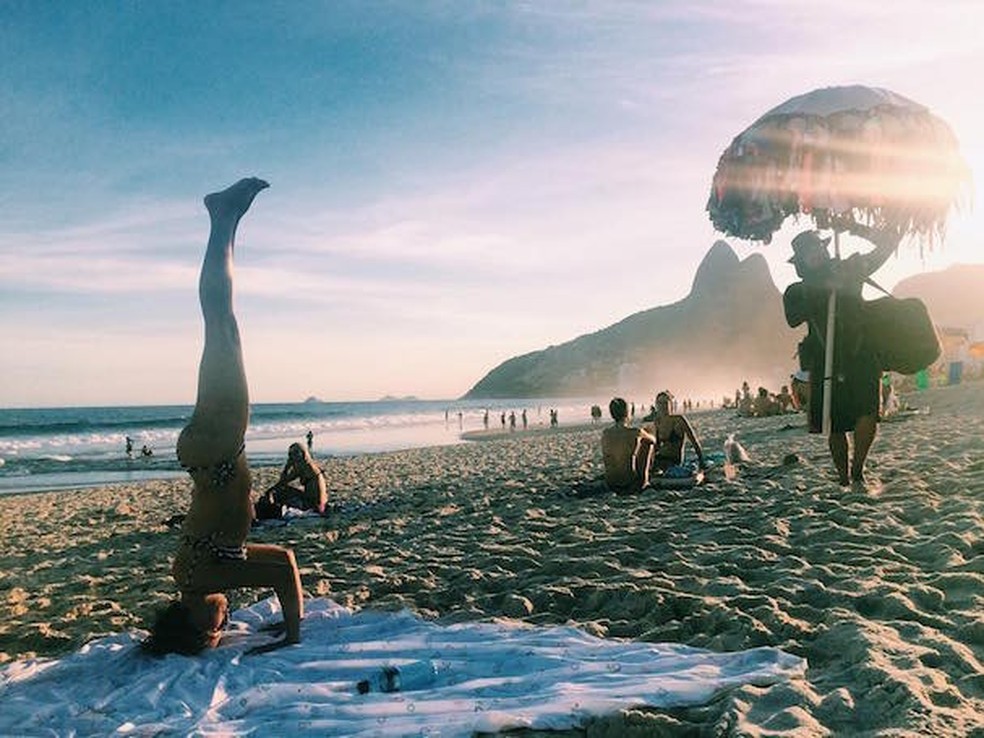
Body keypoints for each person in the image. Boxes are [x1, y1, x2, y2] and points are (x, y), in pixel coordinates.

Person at [144, 178, 303, 657]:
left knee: (221, 323)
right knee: (220, 326)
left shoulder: (206, 578)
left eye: (214, 629)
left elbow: (282, 573)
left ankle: (222, 217)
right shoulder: (198, 576)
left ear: (193, 619)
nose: (224, 623)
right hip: (204, 453)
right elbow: (283, 559)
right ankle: (226, 219)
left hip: (216, 452)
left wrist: (292, 635)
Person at [783, 219, 900, 485]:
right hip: (826, 359)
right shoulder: (797, 290)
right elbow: (792, 318)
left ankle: (858, 469)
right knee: (835, 424)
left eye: (820, 248)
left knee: (868, 413)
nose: (818, 254)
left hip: (861, 352)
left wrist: (852, 227)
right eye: (810, 252)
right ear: (801, 261)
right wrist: (822, 290)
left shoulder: (850, 268)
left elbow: (889, 241)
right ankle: (843, 476)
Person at [256, 441, 328, 517]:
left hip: (314, 504)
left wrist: (287, 466)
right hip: (321, 503)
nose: (293, 456)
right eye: (291, 454)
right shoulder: (310, 464)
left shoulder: (303, 466)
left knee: (282, 490)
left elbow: (283, 481)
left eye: (295, 453)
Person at [601, 397, 655, 494]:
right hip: (630, 483)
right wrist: (647, 432)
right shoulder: (636, 432)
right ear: (627, 413)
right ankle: (645, 480)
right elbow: (654, 440)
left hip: (610, 482)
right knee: (648, 444)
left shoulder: (605, 433)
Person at [650, 390, 706, 473]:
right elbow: (656, 446)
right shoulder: (658, 421)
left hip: (674, 460)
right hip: (660, 457)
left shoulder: (679, 420)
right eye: (660, 403)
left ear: (671, 405)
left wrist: (701, 462)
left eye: (665, 403)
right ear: (656, 405)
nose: (663, 406)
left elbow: (694, 442)